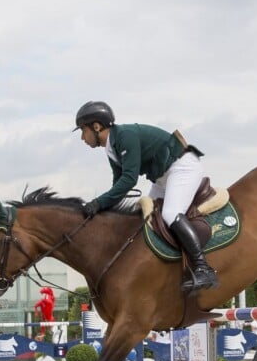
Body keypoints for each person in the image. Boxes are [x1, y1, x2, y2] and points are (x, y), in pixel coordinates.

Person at [72, 100, 219, 293]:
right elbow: (118, 184)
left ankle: (203, 268)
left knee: (170, 213)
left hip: (182, 167)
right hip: (162, 178)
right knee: (146, 220)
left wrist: (98, 203)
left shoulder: (125, 136)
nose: (83, 137)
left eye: (83, 131)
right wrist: (101, 209)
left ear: (96, 126)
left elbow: (129, 180)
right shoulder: (112, 148)